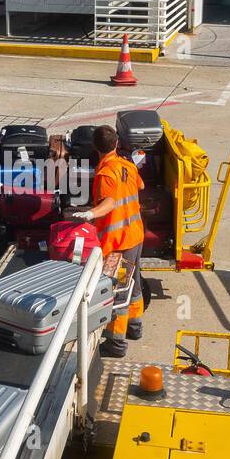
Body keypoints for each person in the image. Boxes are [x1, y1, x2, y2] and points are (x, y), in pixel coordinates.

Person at [69, 125, 145, 357]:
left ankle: (116, 344)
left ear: (95, 147)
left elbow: (109, 203)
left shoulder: (105, 174)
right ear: (116, 143)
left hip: (118, 243)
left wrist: (91, 214)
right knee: (135, 286)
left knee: (120, 292)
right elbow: (140, 186)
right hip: (135, 234)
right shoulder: (127, 165)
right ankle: (135, 327)